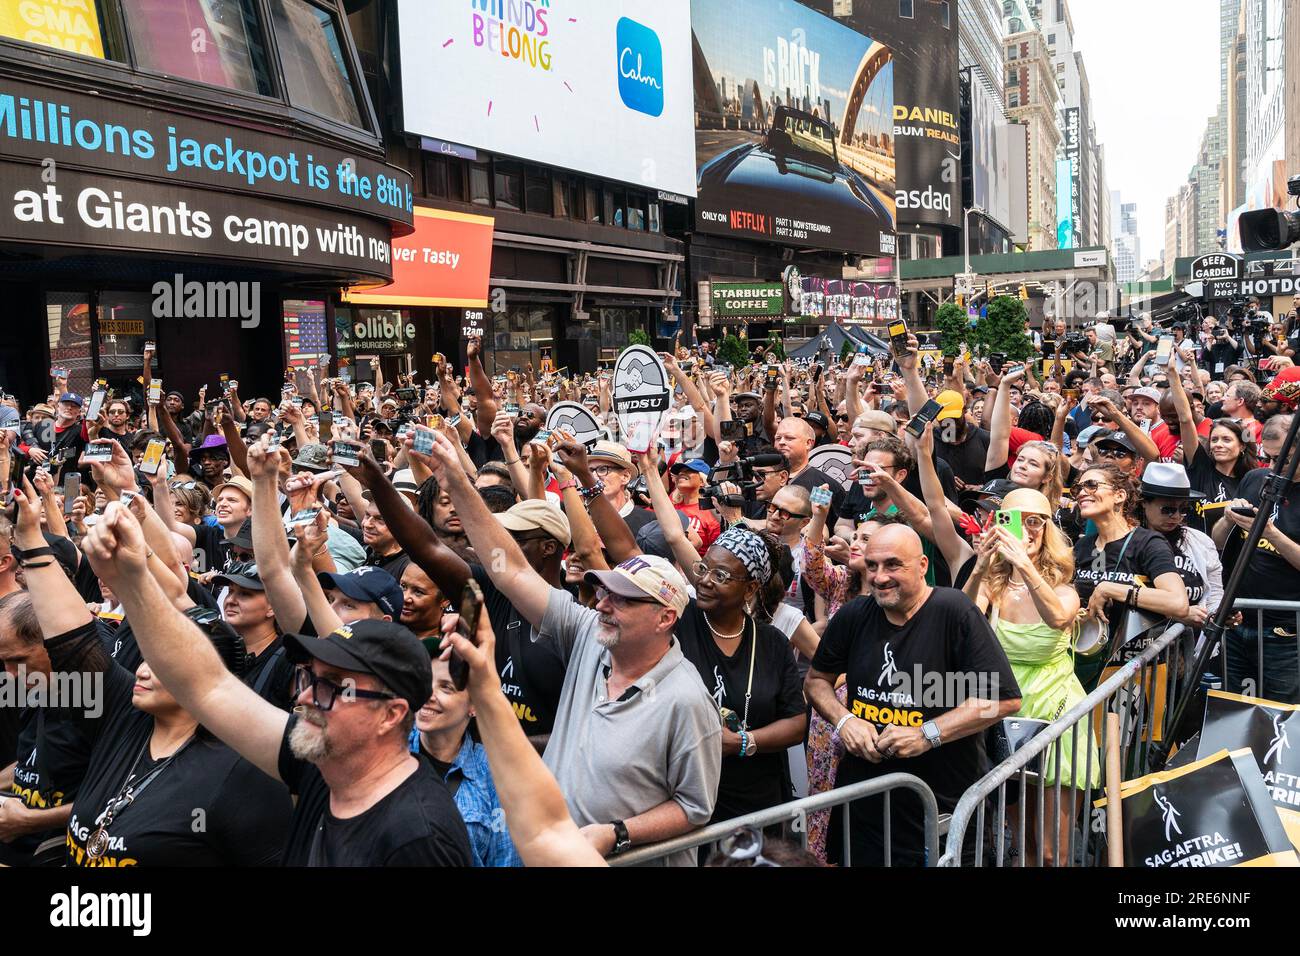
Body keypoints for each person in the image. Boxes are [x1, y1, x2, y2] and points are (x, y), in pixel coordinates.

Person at [79, 502, 474, 866]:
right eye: (309, 676)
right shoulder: (326, 765)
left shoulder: (419, 836)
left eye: (333, 685)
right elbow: (208, 686)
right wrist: (133, 578)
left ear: (391, 714)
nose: (304, 695)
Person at [415, 428, 721, 865]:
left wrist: (616, 834)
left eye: (622, 598)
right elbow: (512, 573)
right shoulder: (588, 635)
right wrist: (458, 487)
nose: (603, 603)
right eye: (603, 591)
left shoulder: (687, 700)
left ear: (665, 617)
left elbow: (695, 808)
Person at [10, 485, 293, 866]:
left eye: (162, 665)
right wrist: (30, 538)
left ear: (205, 675)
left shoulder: (245, 772)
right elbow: (72, 642)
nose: (142, 669)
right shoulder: (125, 717)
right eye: (146, 659)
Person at [805, 525, 1021, 866]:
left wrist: (927, 734)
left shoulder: (953, 610)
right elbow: (817, 680)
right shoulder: (854, 615)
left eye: (893, 565)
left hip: (941, 807)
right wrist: (844, 720)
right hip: (865, 804)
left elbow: (1003, 698)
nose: (879, 577)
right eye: (872, 565)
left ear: (922, 565)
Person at [960, 488, 1094, 866]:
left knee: (1054, 854)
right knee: (1026, 850)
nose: (1026, 530)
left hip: (1058, 716)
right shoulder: (994, 583)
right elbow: (964, 620)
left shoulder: (1065, 586)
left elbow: (1058, 617)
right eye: (1015, 520)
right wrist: (980, 566)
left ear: (1049, 528)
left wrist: (1024, 565)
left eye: (1035, 521)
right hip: (1009, 720)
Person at [676, 526, 806, 823]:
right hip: (688, 798)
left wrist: (742, 742)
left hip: (755, 804)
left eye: (720, 575)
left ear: (750, 588)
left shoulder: (771, 642)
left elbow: (796, 722)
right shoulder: (680, 623)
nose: (704, 581)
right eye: (703, 569)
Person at [1070, 464, 1189, 690]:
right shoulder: (1083, 546)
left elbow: (1178, 603)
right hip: (1086, 662)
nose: (1082, 492)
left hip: (1131, 670)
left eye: (1092, 485)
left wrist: (1111, 589)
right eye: (1078, 488)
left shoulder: (1147, 543)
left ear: (1119, 496)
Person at [1216, 413, 1300, 703]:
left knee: (1281, 715)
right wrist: (1228, 519)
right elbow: (1217, 541)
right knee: (1234, 708)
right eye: (1270, 458)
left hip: (1285, 632)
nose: (1275, 468)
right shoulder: (1255, 478)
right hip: (1237, 621)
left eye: (1284, 460)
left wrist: (1271, 532)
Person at [413, 654, 523, 867]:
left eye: (446, 687)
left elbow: (505, 860)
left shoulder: (495, 775)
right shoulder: (390, 746)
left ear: (474, 705)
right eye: (426, 682)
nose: (428, 694)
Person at [1137, 463, 1221, 631]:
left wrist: (1217, 615)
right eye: (1167, 509)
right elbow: (1122, 592)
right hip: (1144, 641)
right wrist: (1179, 613)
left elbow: (1215, 592)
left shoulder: (1199, 541)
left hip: (1192, 646)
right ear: (1144, 502)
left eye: (1183, 509)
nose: (1176, 516)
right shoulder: (1128, 540)